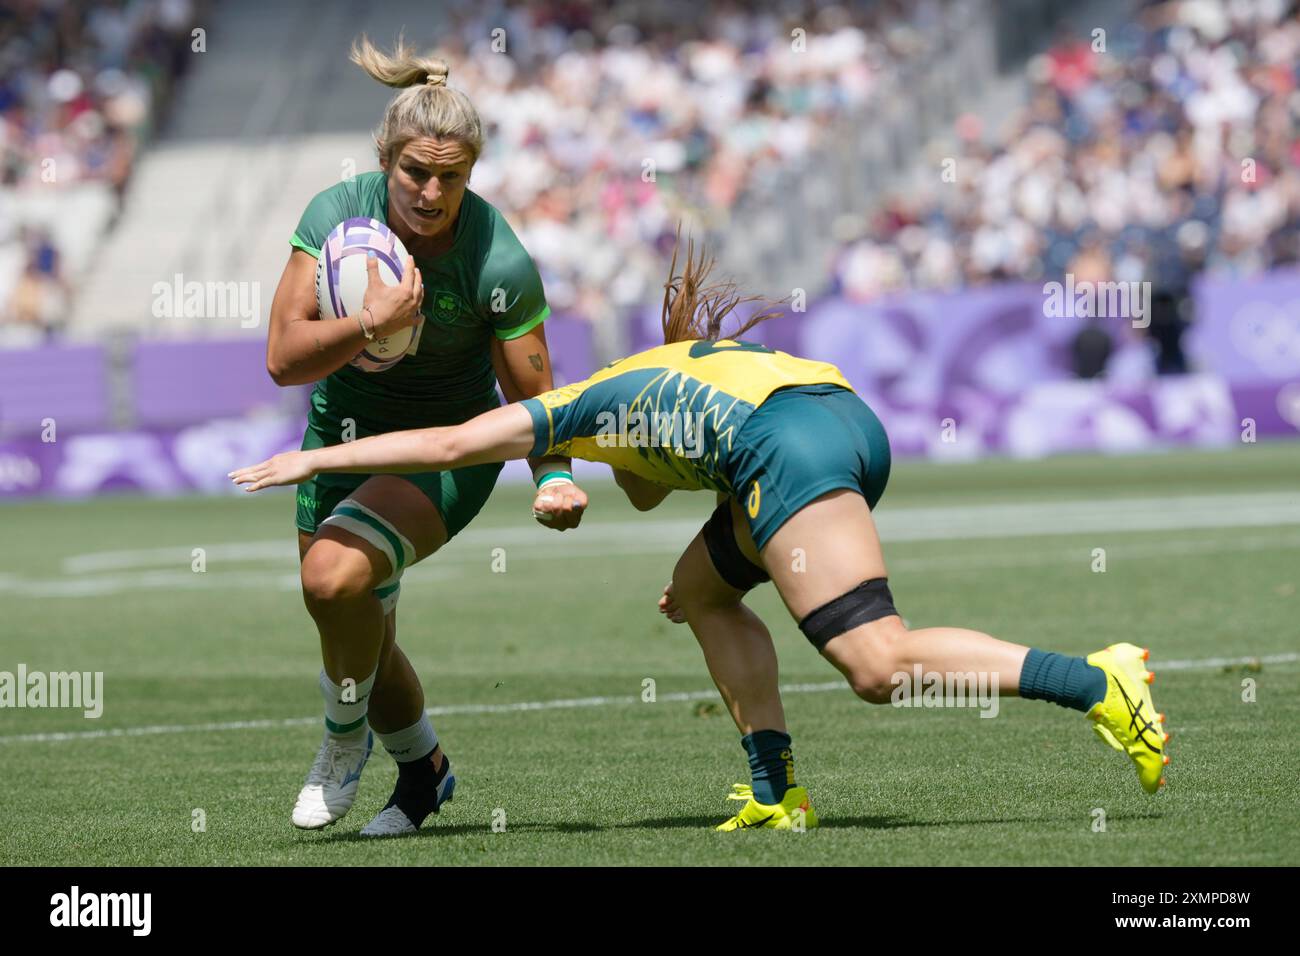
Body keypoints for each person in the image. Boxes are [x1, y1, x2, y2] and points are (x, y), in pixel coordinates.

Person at [242, 237, 1170, 832]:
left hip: (784, 453)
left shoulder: (581, 407)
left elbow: (451, 440)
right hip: (840, 419)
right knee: (699, 590)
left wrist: (314, 463)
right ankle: (776, 791)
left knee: (878, 667)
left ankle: (1096, 680)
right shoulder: (673, 368)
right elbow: (657, 485)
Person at [264, 34, 587, 837]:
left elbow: (535, 390)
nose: (433, 191)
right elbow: (281, 358)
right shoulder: (334, 215)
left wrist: (553, 472)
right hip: (342, 439)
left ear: (472, 172)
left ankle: (341, 745)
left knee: (333, 582)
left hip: (450, 448)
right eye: (416, 172)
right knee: (358, 628)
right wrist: (366, 326)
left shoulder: (497, 259)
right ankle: (423, 775)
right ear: (385, 160)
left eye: (453, 175)